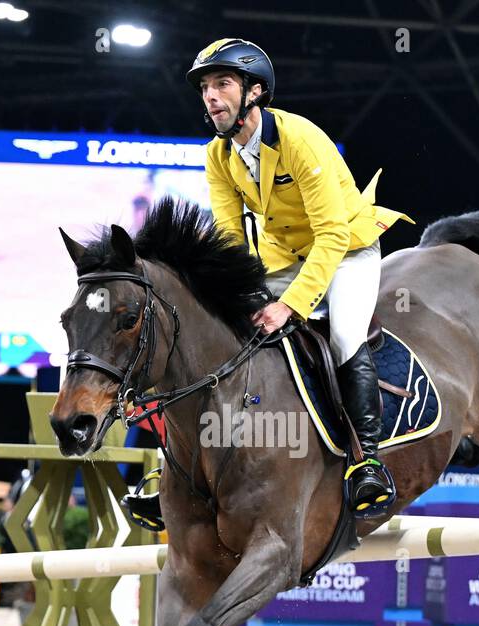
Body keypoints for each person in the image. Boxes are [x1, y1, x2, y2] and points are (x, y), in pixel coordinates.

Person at [124, 39, 416, 532]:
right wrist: (238, 293)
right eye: (205, 88)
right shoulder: (219, 156)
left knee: (344, 335)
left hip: (347, 251)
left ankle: (366, 462)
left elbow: (331, 234)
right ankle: (181, 470)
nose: (210, 97)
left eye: (222, 84)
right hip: (281, 258)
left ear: (254, 92)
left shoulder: (302, 140)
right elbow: (231, 238)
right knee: (220, 333)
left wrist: (292, 306)